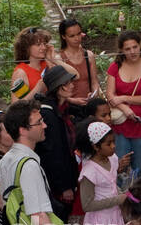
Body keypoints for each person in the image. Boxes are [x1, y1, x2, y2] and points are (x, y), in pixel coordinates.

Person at [106, 31, 141, 179]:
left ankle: (137, 199)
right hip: (121, 123)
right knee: (120, 165)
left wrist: (123, 98)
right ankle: (121, 199)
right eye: (128, 49)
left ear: (140, 46)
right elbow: (110, 94)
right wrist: (125, 108)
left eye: (135, 47)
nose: (132, 52)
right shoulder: (115, 66)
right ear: (121, 50)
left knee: (139, 168)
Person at [36, 65, 79, 212]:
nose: (73, 85)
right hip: (58, 184)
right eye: (68, 83)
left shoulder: (62, 108)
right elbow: (54, 154)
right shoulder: (49, 115)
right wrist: (64, 187)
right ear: (59, 88)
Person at [56, 19, 100, 119]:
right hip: (70, 109)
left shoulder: (88, 55)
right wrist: (71, 100)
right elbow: (57, 90)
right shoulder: (60, 59)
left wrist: (94, 94)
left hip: (88, 106)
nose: (77, 38)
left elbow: (94, 81)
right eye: (72, 36)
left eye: (79, 34)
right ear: (64, 37)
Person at [10, 28, 51, 100]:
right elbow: (16, 105)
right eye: (38, 45)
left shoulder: (47, 64)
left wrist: (53, 59)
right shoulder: (21, 72)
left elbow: (75, 76)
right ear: (26, 47)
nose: (44, 48)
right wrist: (37, 88)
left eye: (44, 44)